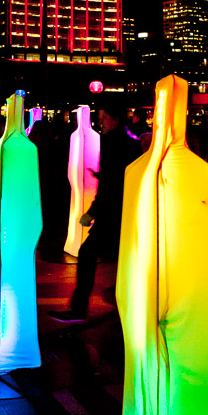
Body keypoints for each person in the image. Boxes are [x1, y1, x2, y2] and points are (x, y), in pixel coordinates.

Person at [49, 100, 140, 323]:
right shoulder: (130, 143)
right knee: (126, 259)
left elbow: (112, 183)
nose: (101, 123)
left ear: (116, 118)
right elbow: (122, 177)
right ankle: (131, 306)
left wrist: (92, 211)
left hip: (111, 212)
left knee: (89, 254)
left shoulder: (112, 142)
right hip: (126, 210)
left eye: (104, 118)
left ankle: (79, 309)